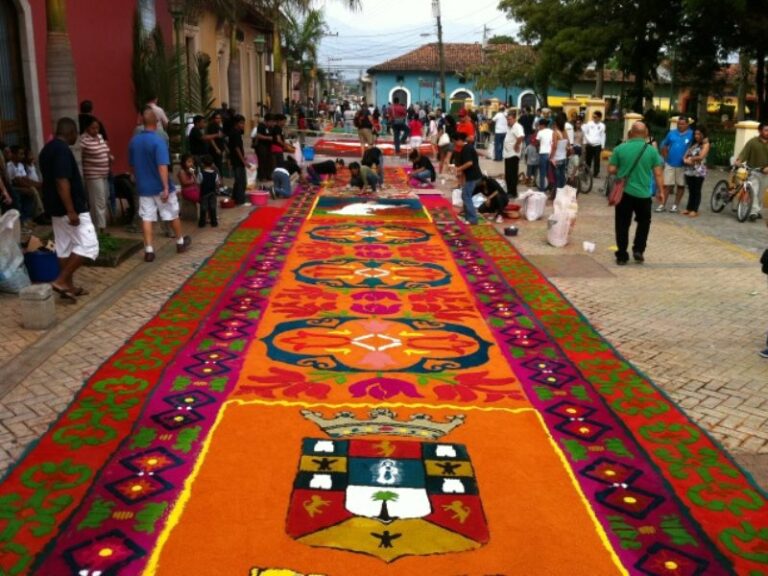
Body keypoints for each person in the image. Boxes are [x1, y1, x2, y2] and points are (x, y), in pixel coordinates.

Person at [39, 117, 99, 303]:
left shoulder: (46, 149)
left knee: (64, 247)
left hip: (55, 209)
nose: (77, 138)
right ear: (71, 132)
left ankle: (68, 287)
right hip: (70, 209)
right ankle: (61, 280)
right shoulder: (62, 151)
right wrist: (71, 210)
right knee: (89, 245)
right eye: (76, 134)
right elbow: (61, 180)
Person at [129, 107, 191, 262]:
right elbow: (162, 166)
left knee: (146, 217)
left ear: (142, 122)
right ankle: (180, 242)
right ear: (156, 122)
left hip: (144, 187)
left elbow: (133, 164)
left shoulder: (134, 141)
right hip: (160, 186)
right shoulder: (159, 141)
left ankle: (149, 250)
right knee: (172, 214)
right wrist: (165, 187)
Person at [607, 121, 665, 265]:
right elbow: (658, 173)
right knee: (644, 223)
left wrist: (622, 169)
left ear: (630, 133)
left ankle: (622, 255)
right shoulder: (652, 151)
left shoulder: (620, 148)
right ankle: (638, 250)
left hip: (624, 193)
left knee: (622, 224)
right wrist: (661, 191)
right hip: (644, 194)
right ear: (646, 134)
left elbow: (611, 169)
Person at [80, 117, 113, 235]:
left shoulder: (99, 137)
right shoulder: (83, 140)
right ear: (87, 128)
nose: (96, 130)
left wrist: (109, 157)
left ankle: (97, 226)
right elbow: (80, 157)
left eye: (97, 128)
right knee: (98, 202)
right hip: (93, 175)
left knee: (103, 200)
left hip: (104, 174)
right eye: (93, 128)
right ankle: (100, 229)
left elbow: (106, 150)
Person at [656, 116, 693, 213]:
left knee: (681, 185)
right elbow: (664, 145)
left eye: (682, 124)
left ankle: (675, 205)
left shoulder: (691, 134)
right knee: (667, 185)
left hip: (683, 165)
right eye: (679, 123)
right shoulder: (671, 133)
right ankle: (662, 204)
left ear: (687, 124)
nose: (680, 125)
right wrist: (665, 157)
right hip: (670, 163)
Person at [734, 121, 768, 221]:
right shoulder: (752, 142)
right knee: (753, 191)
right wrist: (739, 161)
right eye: (766, 130)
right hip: (753, 171)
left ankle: (756, 210)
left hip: (766, 173)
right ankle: (753, 212)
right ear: (760, 131)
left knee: (761, 194)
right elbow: (744, 153)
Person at [454, 131, 482, 225]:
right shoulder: (467, 147)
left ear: (459, 140)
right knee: (465, 195)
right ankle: (467, 216)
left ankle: (473, 219)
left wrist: (458, 169)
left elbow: (469, 163)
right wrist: (462, 180)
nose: (455, 144)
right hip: (472, 176)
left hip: (473, 176)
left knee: (466, 196)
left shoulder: (466, 149)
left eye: (455, 141)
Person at [681, 127, 710, 217]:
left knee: (697, 190)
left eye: (698, 134)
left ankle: (695, 209)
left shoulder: (706, 144)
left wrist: (691, 159)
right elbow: (687, 152)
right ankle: (689, 208)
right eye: (695, 134)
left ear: (703, 134)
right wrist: (685, 158)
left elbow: (701, 156)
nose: (696, 136)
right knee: (691, 189)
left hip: (699, 170)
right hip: (689, 169)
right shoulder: (694, 144)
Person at [228, 114, 249, 205]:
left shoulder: (235, 132)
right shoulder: (235, 133)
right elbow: (236, 148)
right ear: (236, 123)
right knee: (241, 181)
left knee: (238, 181)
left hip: (237, 159)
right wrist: (243, 161)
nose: (243, 125)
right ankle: (240, 200)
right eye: (241, 123)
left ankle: (234, 198)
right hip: (237, 161)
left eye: (243, 123)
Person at [583, 110, 606, 178]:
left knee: (597, 160)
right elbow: (585, 133)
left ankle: (596, 173)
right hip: (589, 144)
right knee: (588, 159)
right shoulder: (589, 123)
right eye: (593, 117)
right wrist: (585, 142)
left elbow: (603, 135)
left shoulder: (602, 126)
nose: (594, 118)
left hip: (597, 145)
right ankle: (586, 172)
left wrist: (603, 145)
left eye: (595, 117)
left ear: (599, 118)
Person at [198, 155, 219, 228]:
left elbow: (198, 183)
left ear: (203, 164)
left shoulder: (201, 174)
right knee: (213, 207)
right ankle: (214, 222)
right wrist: (217, 189)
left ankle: (202, 223)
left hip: (204, 193)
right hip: (213, 193)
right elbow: (217, 184)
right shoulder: (215, 174)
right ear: (212, 164)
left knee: (203, 208)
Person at [550, 112, 570, 190]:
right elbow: (568, 144)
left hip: (556, 159)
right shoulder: (565, 132)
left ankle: (557, 194)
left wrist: (551, 157)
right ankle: (562, 194)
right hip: (563, 158)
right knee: (562, 177)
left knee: (556, 179)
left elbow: (554, 146)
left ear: (556, 123)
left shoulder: (555, 133)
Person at [253, 113, 274, 182]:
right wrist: (267, 138)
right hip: (262, 146)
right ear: (267, 121)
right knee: (262, 161)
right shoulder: (261, 126)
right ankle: (262, 176)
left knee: (269, 161)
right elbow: (258, 135)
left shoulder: (270, 127)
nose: (271, 123)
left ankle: (268, 175)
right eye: (271, 121)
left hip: (268, 146)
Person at [536, 118, 553, 192]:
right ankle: (550, 187)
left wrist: (538, 148)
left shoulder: (540, 132)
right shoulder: (552, 131)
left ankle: (542, 189)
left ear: (542, 125)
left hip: (543, 153)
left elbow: (537, 143)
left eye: (539, 125)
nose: (538, 126)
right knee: (550, 172)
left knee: (542, 172)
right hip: (550, 154)